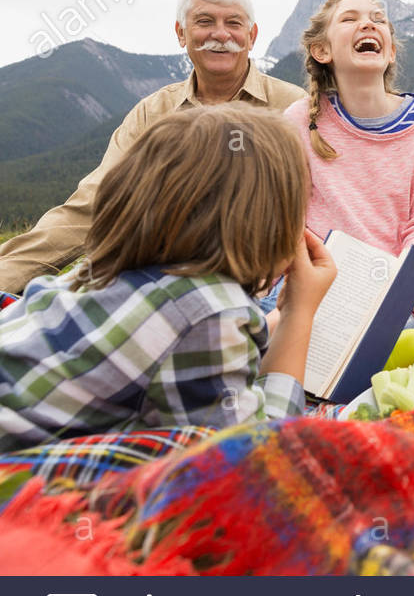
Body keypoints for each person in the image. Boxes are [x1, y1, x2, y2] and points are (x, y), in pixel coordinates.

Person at [0, 105, 337, 453]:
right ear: (267, 225)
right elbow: (255, 459)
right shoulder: (210, 313)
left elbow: (176, 335)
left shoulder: (99, 273)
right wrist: (300, 314)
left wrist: (273, 325)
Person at [0, 0, 305, 298]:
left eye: (233, 23)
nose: (220, 34)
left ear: (251, 35)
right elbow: (96, 205)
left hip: (262, 295)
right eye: (204, 21)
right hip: (156, 288)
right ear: (181, 33)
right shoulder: (153, 113)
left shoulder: (293, 106)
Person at [283, 0, 414, 332]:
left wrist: (408, 281)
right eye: (350, 19)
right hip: (316, 286)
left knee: (396, 331)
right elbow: (286, 220)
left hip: (395, 290)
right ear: (322, 50)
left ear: (389, 51)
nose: (368, 24)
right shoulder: (299, 120)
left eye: (378, 19)